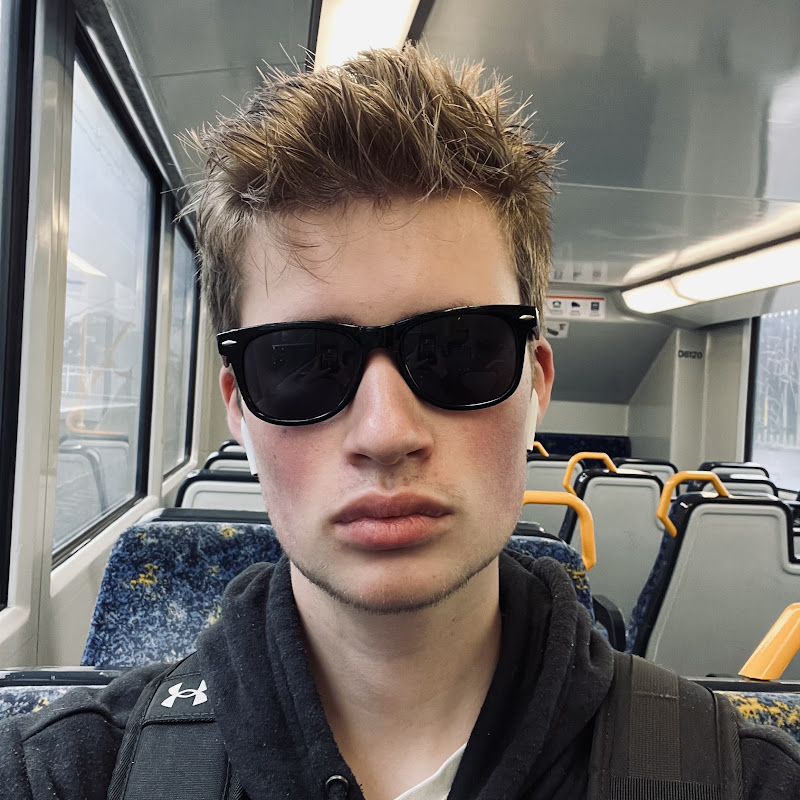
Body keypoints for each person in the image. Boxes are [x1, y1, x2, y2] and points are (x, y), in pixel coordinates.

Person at [2, 46, 800, 800]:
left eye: (460, 352)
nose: (385, 435)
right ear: (239, 406)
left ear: (536, 384)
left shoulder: (747, 779)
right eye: (303, 365)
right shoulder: (65, 773)